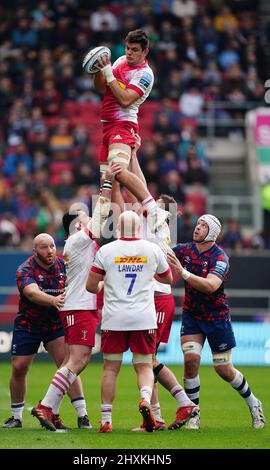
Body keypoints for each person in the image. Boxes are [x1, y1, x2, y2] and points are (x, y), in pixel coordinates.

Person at [31, 163, 120, 431]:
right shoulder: (79, 239)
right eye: (82, 216)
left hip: (79, 305)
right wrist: (107, 182)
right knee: (77, 361)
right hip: (79, 307)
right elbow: (103, 213)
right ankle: (45, 406)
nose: (88, 218)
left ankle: (52, 409)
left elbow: (109, 218)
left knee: (75, 361)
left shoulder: (81, 243)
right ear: (75, 225)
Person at [118, 140, 198, 431]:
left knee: (146, 359)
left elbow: (138, 186)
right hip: (150, 297)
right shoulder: (154, 225)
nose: (145, 202)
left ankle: (183, 403)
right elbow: (141, 185)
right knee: (144, 359)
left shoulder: (158, 220)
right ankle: (157, 415)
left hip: (157, 297)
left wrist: (121, 165)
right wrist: (134, 154)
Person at [167, 214, 266, 430]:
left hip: (217, 317)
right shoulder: (186, 249)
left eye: (203, 226)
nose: (197, 228)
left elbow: (211, 286)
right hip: (192, 314)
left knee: (224, 369)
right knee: (191, 361)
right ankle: (194, 413)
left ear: (211, 233)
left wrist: (182, 272)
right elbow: (161, 251)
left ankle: (253, 402)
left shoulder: (220, 258)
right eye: (198, 224)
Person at [86, 210, 173, 433]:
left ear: (117, 229)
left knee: (110, 369)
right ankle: (145, 399)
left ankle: (106, 419)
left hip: (114, 318)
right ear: (139, 228)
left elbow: (90, 286)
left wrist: (105, 284)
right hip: (143, 317)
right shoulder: (152, 249)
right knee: (144, 366)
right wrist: (147, 272)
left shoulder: (106, 250)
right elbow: (168, 278)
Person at [2, 233, 90, 430]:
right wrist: (53, 300)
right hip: (28, 324)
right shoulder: (25, 269)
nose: (50, 251)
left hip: (55, 325)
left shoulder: (63, 265)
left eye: (52, 246)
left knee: (68, 367)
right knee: (19, 367)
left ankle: (82, 415)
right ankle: (16, 416)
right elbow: (31, 292)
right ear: (35, 251)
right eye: (44, 247)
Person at [93, 28, 169, 233]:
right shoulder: (118, 61)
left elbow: (125, 99)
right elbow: (101, 88)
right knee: (108, 182)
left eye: (134, 50)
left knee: (117, 169)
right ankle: (121, 232)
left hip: (123, 125)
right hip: (107, 127)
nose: (129, 53)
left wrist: (108, 73)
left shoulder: (145, 75)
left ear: (145, 52)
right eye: (127, 48)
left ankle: (154, 210)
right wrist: (99, 70)